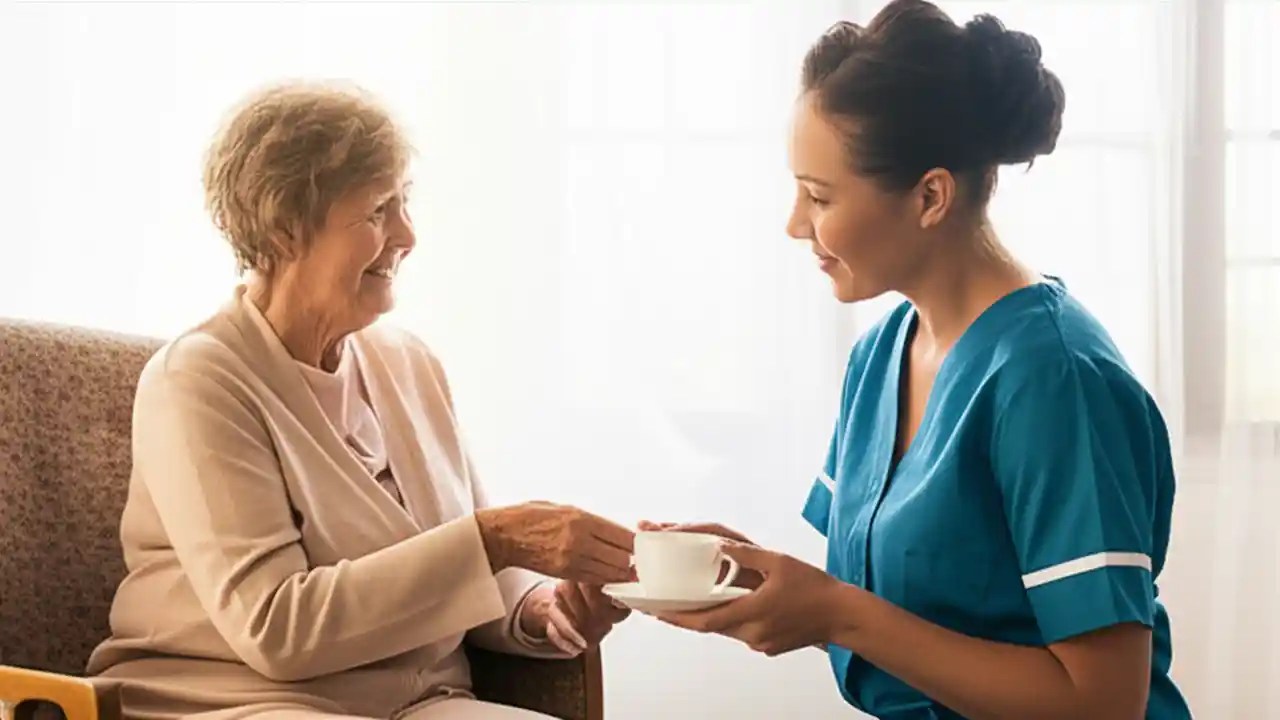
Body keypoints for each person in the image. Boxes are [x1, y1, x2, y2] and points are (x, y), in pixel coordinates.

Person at [650, 2, 1192, 718]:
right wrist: (753, 581)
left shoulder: (1055, 381)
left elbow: (1103, 702)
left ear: (930, 195)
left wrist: (836, 614)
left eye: (818, 195)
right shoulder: (882, 353)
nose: (793, 224)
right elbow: (901, 606)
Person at [87, 82, 632, 720]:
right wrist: (494, 540)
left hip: (418, 701)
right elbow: (276, 630)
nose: (407, 234)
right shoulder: (198, 382)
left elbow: (475, 572)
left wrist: (540, 611)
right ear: (285, 227)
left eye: (404, 203)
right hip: (232, 701)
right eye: (378, 210)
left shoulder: (408, 363)